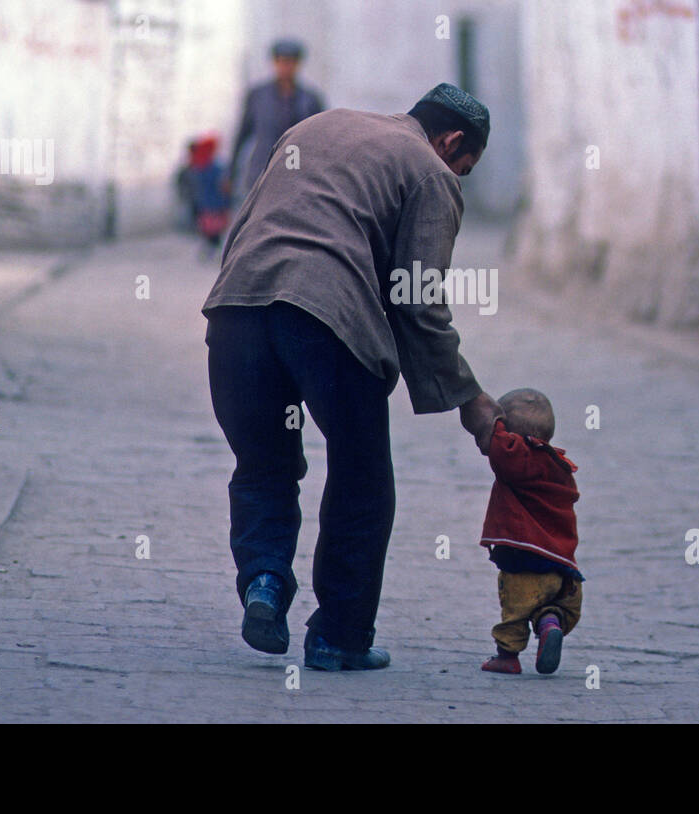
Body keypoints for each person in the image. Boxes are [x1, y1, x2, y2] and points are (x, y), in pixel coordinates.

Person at [202, 83, 504, 671]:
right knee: (362, 475)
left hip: (235, 309)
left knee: (263, 463)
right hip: (328, 321)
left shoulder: (315, 127)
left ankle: (264, 579)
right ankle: (339, 635)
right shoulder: (429, 171)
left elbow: (245, 228)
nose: (457, 177)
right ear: (452, 142)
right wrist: (468, 399)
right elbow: (418, 301)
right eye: (464, 168)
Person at [478, 388, 584, 676]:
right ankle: (550, 624)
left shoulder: (521, 459)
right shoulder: (560, 466)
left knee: (515, 610)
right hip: (560, 566)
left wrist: (492, 419)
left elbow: (500, 448)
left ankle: (508, 657)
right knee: (545, 607)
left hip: (524, 559)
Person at [226, 39, 325, 209]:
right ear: (274, 63)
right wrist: (231, 172)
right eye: (281, 61)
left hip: (296, 169)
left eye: (290, 62)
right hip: (262, 169)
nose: (286, 67)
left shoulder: (310, 99)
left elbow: (322, 140)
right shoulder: (258, 96)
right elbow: (242, 134)